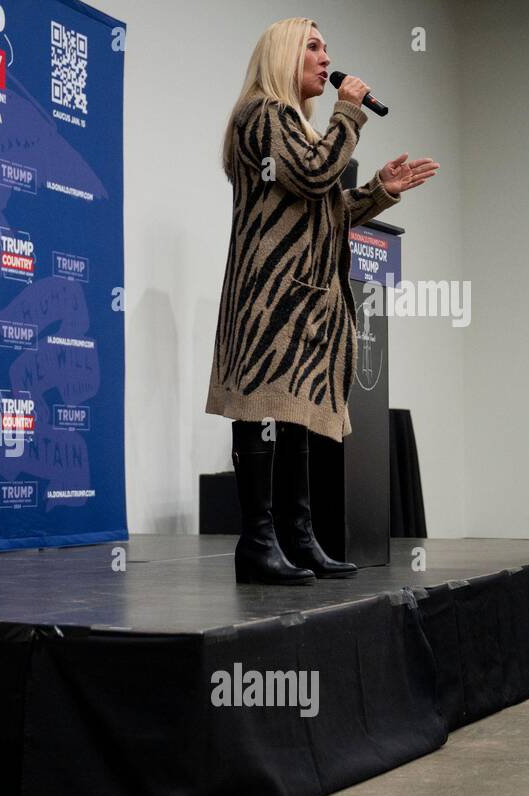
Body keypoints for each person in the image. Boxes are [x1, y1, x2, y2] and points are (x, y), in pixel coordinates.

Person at [207, 17, 438, 585]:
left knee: (293, 421)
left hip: (301, 304)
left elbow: (326, 210)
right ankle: (257, 543)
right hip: (268, 300)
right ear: (283, 55)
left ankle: (298, 537)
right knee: (263, 412)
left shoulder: (298, 129)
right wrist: (350, 112)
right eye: (313, 46)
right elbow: (314, 177)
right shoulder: (262, 114)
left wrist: (381, 189)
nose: (324, 57)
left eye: (326, 47)